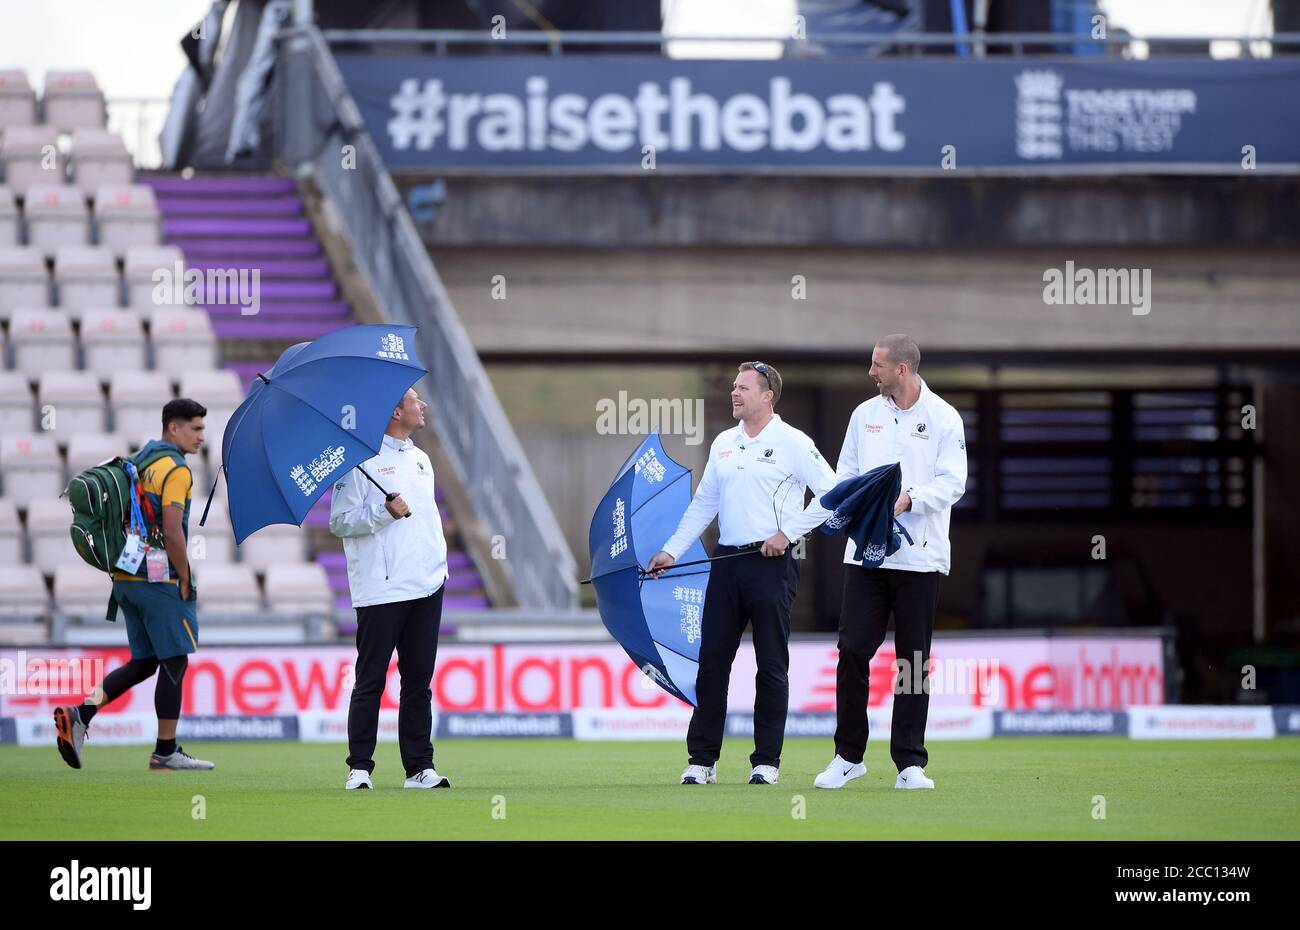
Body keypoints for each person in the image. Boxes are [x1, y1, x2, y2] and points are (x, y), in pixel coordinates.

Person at [648, 362, 838, 786]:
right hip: (727, 562)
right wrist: (671, 552)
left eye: (743, 388)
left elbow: (834, 494)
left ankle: (766, 762)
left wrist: (788, 533)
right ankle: (702, 761)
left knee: (771, 665)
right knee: (713, 663)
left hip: (772, 564)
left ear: (767, 395)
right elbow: (703, 504)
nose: (734, 393)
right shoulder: (724, 443)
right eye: (734, 387)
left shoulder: (793, 442)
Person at [813, 335, 967, 791]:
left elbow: (954, 482)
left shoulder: (944, 417)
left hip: (920, 559)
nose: (871, 371)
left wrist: (908, 500)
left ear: (902, 369)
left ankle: (909, 763)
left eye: (878, 365)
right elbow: (846, 474)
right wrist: (852, 503)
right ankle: (847, 757)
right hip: (866, 557)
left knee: (912, 661)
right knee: (853, 651)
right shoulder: (865, 415)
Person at [55, 398, 215, 772]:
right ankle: (166, 751)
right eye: (195, 428)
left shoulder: (140, 459)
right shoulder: (176, 469)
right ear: (173, 428)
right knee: (174, 661)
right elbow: (173, 531)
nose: (202, 437)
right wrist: (186, 577)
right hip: (158, 578)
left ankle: (81, 712)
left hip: (126, 577)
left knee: (145, 662)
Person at [330, 387, 450, 790]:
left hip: (427, 584)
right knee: (371, 680)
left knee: (418, 681)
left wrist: (439, 566)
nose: (424, 406)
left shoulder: (420, 459)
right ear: (396, 410)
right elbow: (340, 522)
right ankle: (359, 767)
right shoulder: (357, 461)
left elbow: (426, 521)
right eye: (417, 401)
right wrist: (384, 511)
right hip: (381, 589)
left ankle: (419, 767)